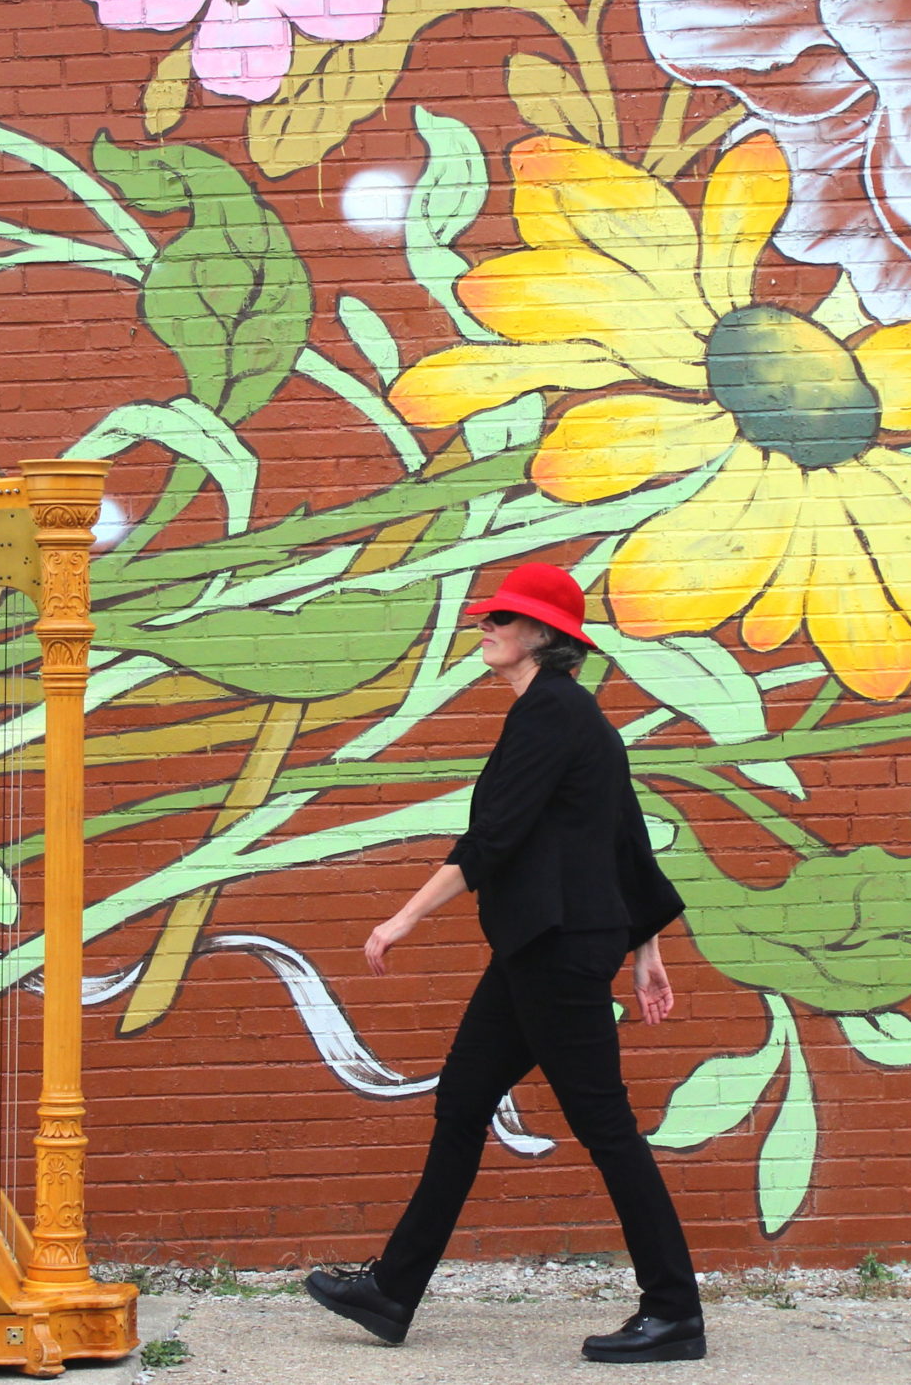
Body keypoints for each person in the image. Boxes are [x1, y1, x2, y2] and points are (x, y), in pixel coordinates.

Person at [304, 561, 705, 1365]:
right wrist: (647, 949)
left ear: (543, 637)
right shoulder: (572, 716)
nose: (485, 627)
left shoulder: (551, 714)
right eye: (488, 617)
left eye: (502, 619)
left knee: (605, 1126)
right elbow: (625, 836)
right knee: (462, 1103)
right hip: (545, 945)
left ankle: (674, 1312)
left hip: (556, 950)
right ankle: (391, 1290)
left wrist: (401, 920)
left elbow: (493, 839)